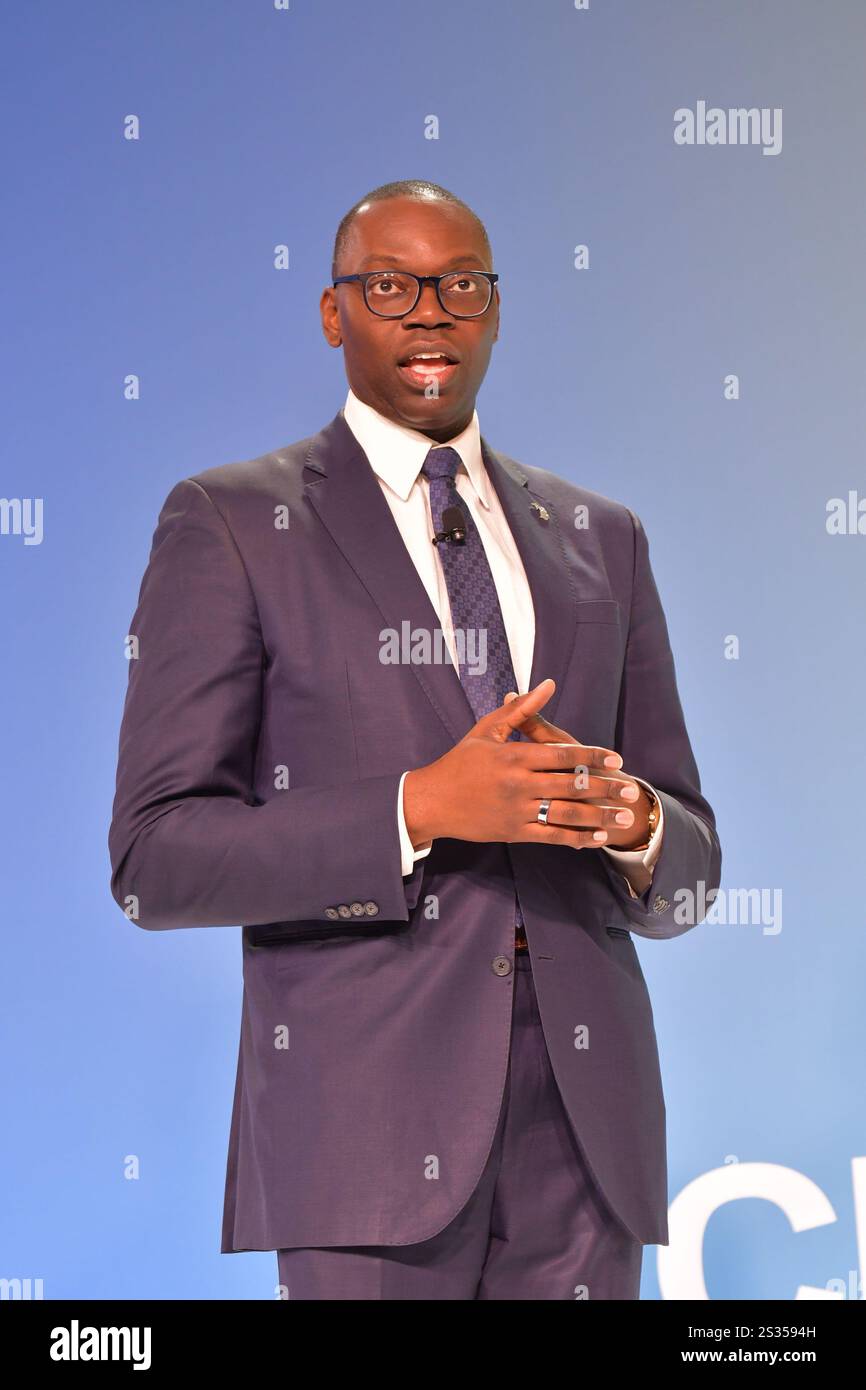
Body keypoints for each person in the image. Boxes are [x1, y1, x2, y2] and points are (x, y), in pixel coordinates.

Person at [109, 178, 721, 1300]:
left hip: (585, 1142)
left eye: (460, 284)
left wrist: (632, 823)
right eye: (388, 284)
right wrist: (415, 808)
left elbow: (690, 856)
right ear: (334, 312)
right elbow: (155, 859)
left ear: (494, 310)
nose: (428, 309)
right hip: (366, 1141)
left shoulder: (603, 538)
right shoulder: (233, 522)